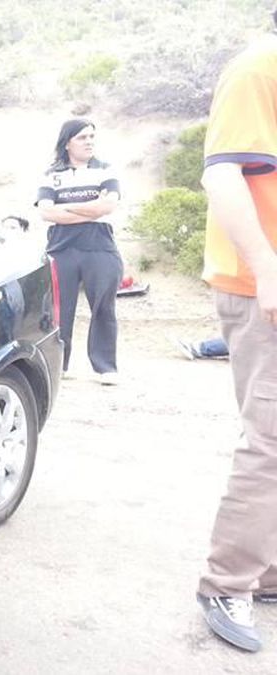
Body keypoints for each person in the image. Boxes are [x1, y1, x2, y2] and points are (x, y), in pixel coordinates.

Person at [194, 11, 277, 653]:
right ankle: (227, 583)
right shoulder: (259, 67)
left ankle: (265, 571)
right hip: (260, 288)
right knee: (271, 440)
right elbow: (222, 175)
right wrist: (267, 270)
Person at [35, 119, 123, 385]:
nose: (89, 142)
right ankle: (60, 365)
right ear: (67, 143)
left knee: (103, 306)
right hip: (62, 247)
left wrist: (66, 208)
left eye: (92, 136)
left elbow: (107, 206)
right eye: (82, 137)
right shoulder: (51, 174)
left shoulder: (105, 169)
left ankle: (105, 367)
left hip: (100, 246)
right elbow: (46, 212)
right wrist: (90, 208)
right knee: (60, 309)